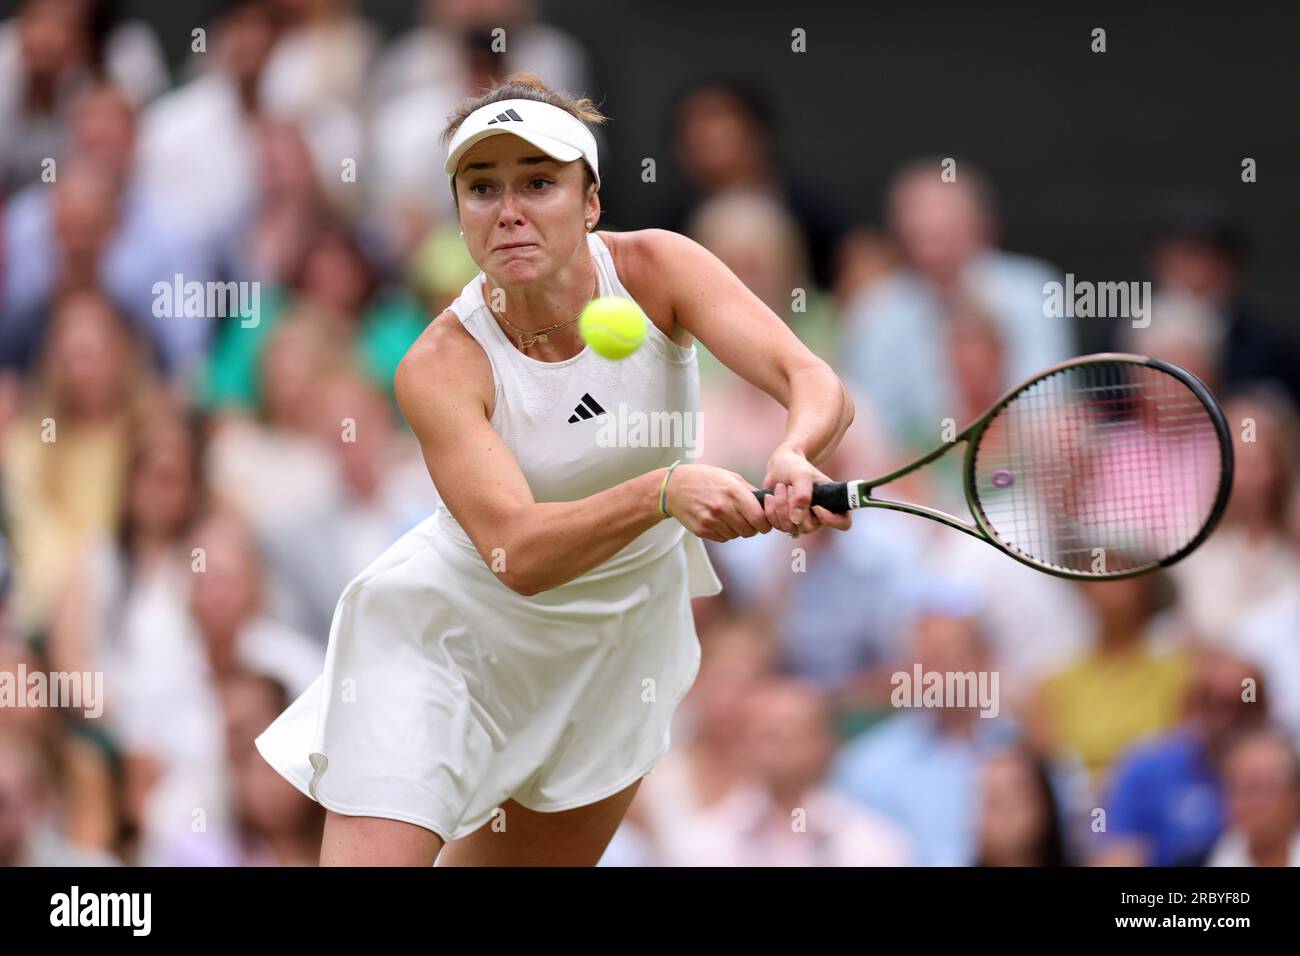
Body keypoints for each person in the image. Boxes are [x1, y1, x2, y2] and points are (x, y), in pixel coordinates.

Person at [255, 72, 856, 867]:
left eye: (539, 183)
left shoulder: (659, 270)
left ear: (591, 202)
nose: (508, 210)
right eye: (482, 188)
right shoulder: (439, 364)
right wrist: (666, 492)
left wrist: (795, 451)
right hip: (448, 643)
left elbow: (814, 383)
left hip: (615, 653)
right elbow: (518, 553)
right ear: (461, 215)